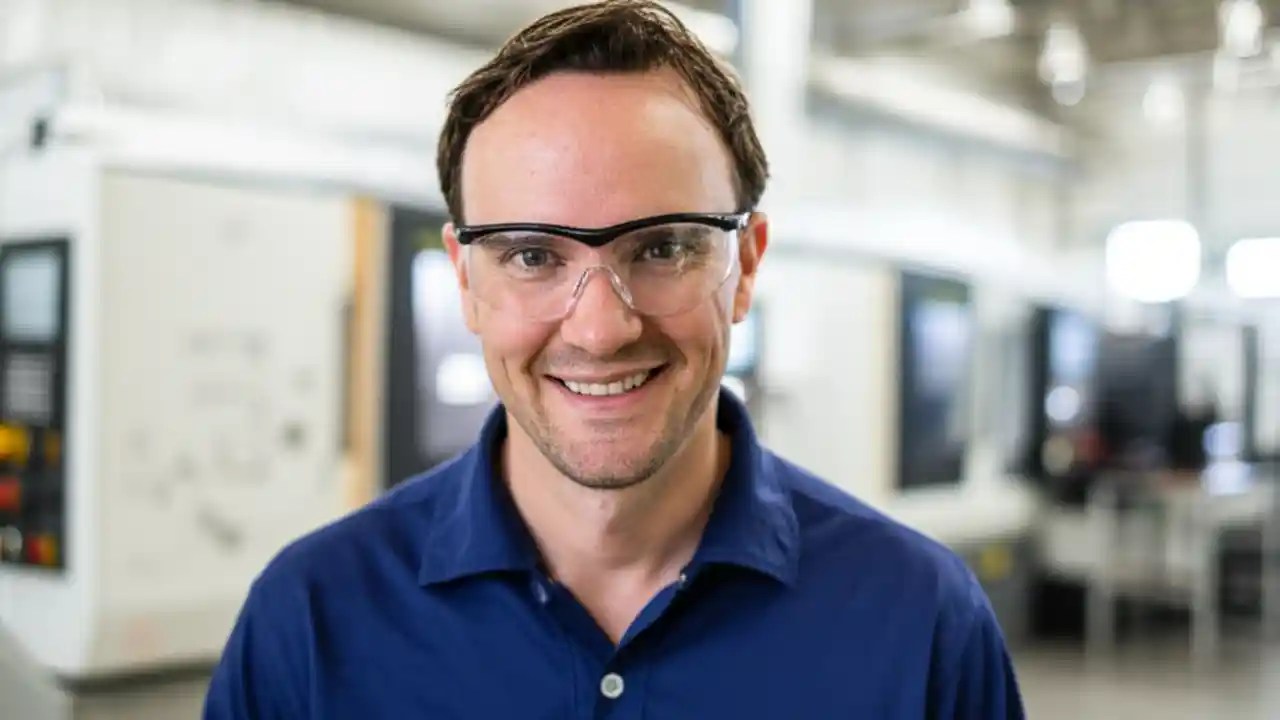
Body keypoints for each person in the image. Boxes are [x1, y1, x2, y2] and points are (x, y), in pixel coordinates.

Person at [203, 1, 1025, 717]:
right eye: (532, 256)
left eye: (662, 248)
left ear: (746, 269)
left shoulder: (918, 624)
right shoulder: (312, 625)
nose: (600, 329)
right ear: (466, 280)